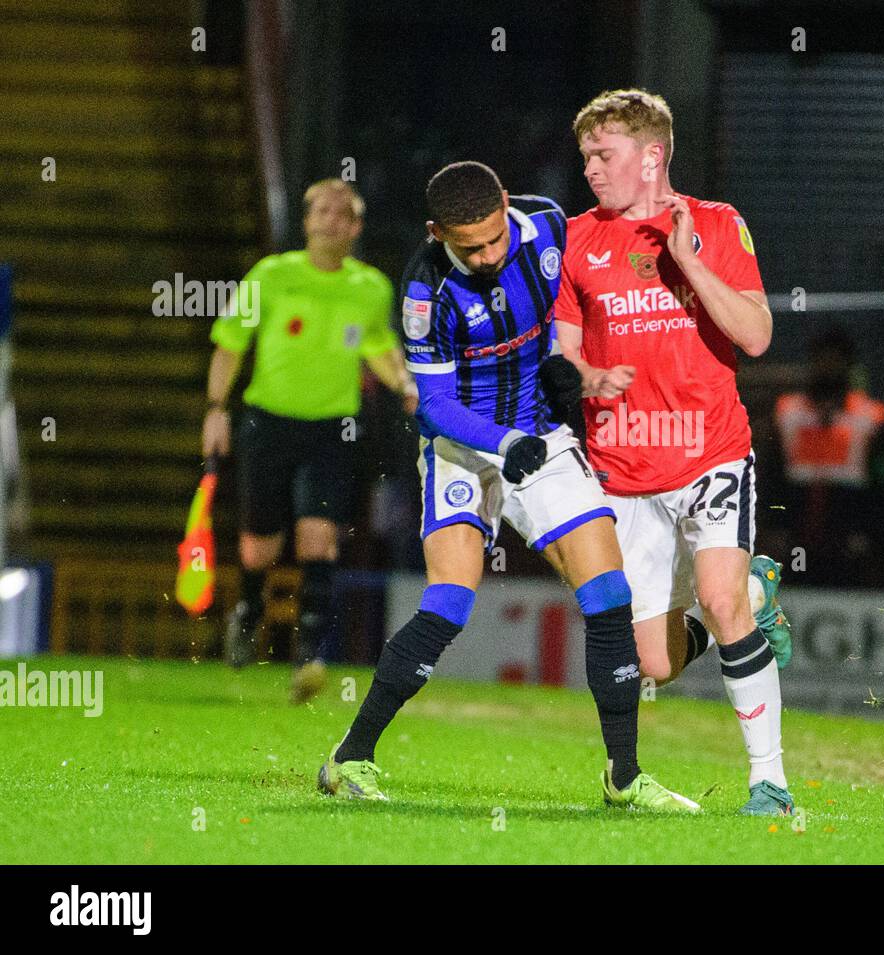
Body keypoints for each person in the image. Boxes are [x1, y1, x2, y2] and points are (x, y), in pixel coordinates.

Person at [317, 161, 696, 811]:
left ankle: (625, 776)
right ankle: (349, 757)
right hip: (464, 448)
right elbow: (431, 405)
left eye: (496, 238)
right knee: (450, 602)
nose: (490, 255)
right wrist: (502, 443)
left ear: (506, 209)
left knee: (608, 592)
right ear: (437, 233)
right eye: (472, 246)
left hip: (542, 439)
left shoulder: (546, 223)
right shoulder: (423, 291)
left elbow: (592, 294)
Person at [554, 89, 795, 816]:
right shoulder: (573, 240)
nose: (591, 168)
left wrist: (689, 264)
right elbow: (563, 349)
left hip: (710, 451)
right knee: (654, 663)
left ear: (651, 154)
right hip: (623, 471)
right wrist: (584, 376)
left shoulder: (716, 225)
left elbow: (755, 335)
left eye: (605, 154)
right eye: (587, 156)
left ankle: (770, 784)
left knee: (719, 604)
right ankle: (759, 592)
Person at [204, 178, 417, 702]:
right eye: (321, 211)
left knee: (318, 539)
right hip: (266, 423)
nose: (330, 220)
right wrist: (215, 410)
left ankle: (310, 655)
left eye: (342, 213)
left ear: (355, 227)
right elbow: (231, 344)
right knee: (260, 547)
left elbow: (378, 345)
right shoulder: (272, 277)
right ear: (306, 221)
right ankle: (249, 611)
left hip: (331, 430)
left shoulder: (370, 287)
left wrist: (406, 386)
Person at [773, 325, 884, 586]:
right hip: (798, 516)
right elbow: (770, 471)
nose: (828, 367)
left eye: (836, 360)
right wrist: (773, 526)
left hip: (848, 519)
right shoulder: (787, 410)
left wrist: (870, 532)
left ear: (849, 365)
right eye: (821, 360)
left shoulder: (872, 414)